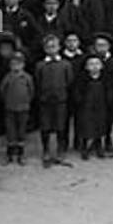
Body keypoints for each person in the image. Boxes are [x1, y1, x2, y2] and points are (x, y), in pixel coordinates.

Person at [35, 33, 73, 168]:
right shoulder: (40, 65)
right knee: (45, 126)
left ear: (59, 47)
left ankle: (60, 151)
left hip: (61, 100)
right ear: (45, 49)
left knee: (61, 126)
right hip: (45, 100)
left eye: (54, 46)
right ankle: (46, 150)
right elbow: (38, 82)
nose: (51, 49)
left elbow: (69, 82)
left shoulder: (65, 64)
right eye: (48, 47)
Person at [0, 51, 35, 166]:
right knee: (10, 131)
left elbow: (31, 91)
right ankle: (9, 154)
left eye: (19, 64)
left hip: (23, 108)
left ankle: (21, 154)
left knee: (21, 131)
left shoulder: (27, 77)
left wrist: (26, 102)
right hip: (10, 108)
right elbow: (2, 90)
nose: (16, 66)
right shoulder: (7, 77)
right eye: (13, 64)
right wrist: (7, 101)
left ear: (23, 65)